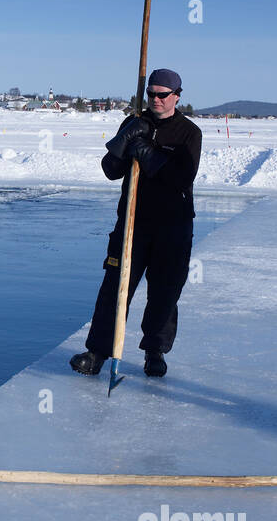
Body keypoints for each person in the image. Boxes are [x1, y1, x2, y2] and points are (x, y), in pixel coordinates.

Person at [70, 68, 202, 379]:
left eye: (163, 95)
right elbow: (110, 170)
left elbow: (181, 179)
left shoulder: (189, 132)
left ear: (176, 97)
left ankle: (154, 352)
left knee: (165, 292)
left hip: (173, 226)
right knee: (115, 287)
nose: (156, 99)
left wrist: (146, 151)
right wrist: (126, 138)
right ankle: (98, 351)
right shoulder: (134, 122)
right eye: (151, 94)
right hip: (132, 223)